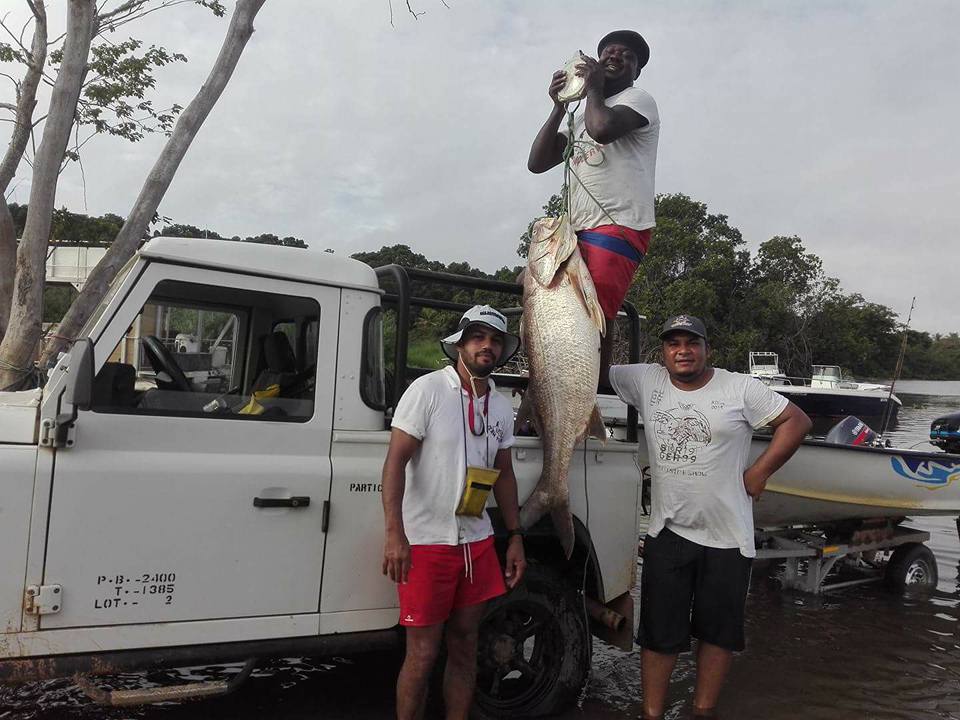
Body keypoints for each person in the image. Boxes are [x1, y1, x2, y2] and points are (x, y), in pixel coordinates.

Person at [604, 315, 811, 720]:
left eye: (691, 342)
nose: (683, 350)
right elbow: (593, 366)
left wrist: (760, 471)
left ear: (706, 348)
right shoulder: (646, 380)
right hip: (669, 532)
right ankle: (651, 714)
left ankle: (703, 711)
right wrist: (603, 313)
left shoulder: (740, 388)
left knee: (718, 635)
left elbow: (797, 421)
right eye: (673, 343)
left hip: (729, 537)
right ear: (662, 351)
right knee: (659, 636)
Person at [381, 305, 528, 720]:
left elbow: (504, 475)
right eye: (478, 336)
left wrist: (514, 536)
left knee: (466, 647)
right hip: (427, 544)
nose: (487, 345)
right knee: (423, 654)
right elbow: (395, 462)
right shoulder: (427, 390)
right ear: (460, 343)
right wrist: (395, 534)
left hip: (477, 542)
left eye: (495, 339)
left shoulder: (500, 405)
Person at [528, 29, 660, 380]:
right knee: (541, 298)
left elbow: (602, 130)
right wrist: (559, 107)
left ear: (637, 71)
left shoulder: (638, 99)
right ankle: (553, 391)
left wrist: (595, 88)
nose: (616, 56)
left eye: (627, 56)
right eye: (608, 52)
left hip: (619, 222)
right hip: (577, 229)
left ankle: (592, 397)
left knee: (592, 311)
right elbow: (538, 162)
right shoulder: (580, 116)